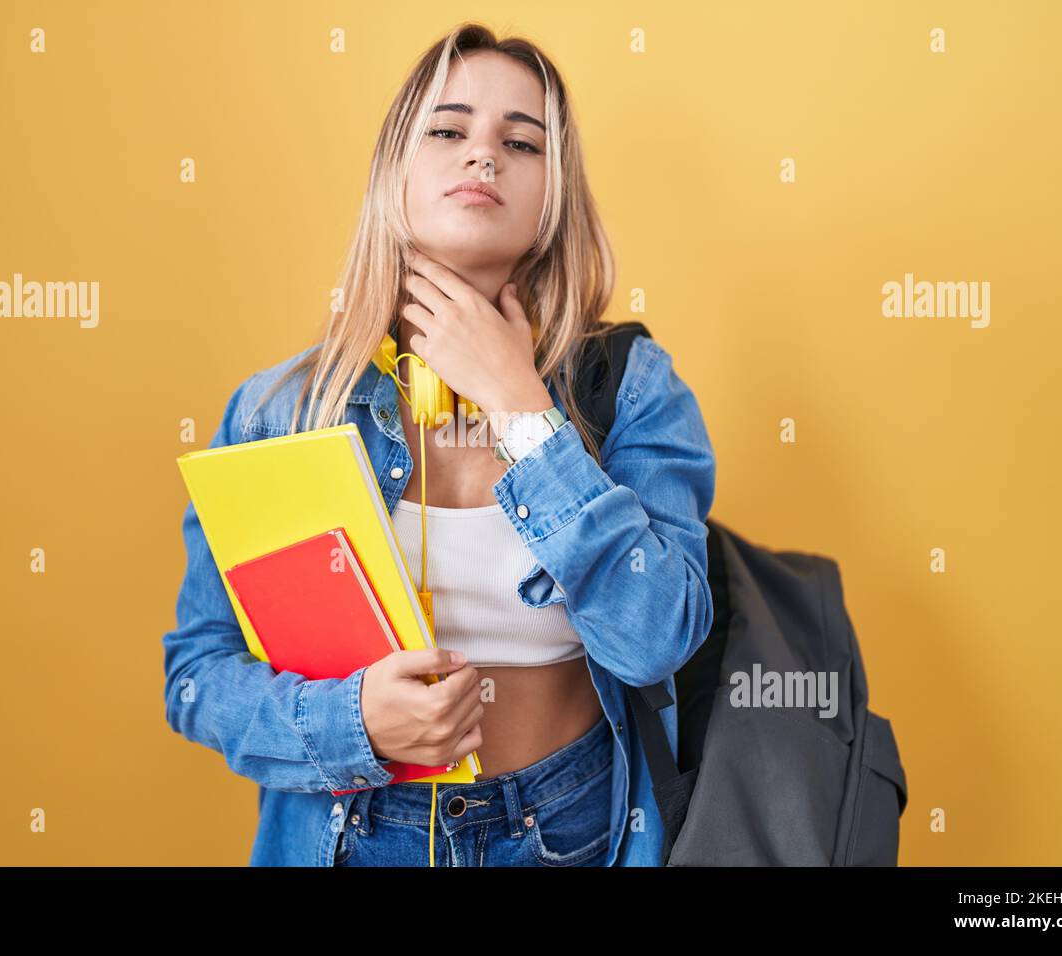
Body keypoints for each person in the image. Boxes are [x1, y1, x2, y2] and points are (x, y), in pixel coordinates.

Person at [162, 21, 716, 867]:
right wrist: (352, 723)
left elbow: (658, 638)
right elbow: (197, 677)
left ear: (552, 197)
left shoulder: (632, 388)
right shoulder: (278, 412)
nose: (483, 157)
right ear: (397, 174)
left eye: (520, 142)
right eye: (448, 130)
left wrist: (518, 402)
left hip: (568, 832)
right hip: (350, 837)